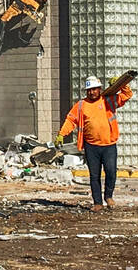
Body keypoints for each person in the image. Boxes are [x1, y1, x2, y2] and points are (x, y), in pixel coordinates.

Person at [55, 75, 133, 212]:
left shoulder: (108, 100)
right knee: (94, 175)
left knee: (111, 172)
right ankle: (97, 202)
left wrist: (121, 85)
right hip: (91, 146)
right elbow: (70, 120)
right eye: (89, 90)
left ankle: (108, 196)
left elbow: (127, 95)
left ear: (100, 89)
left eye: (94, 89)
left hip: (108, 145)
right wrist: (61, 134)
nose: (92, 92)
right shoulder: (80, 106)